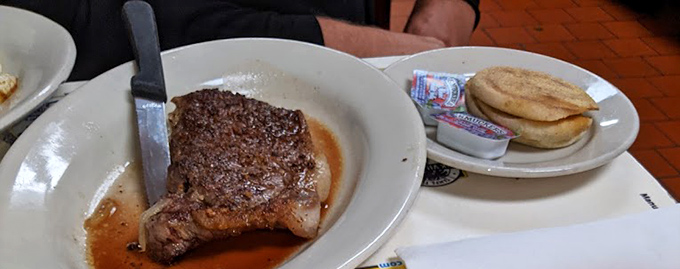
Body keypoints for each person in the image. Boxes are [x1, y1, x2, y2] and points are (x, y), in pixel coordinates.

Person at [1, 0, 479, 80]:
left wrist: (433, 35)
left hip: (380, 72)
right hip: (170, 73)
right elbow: (170, 19)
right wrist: (416, 53)